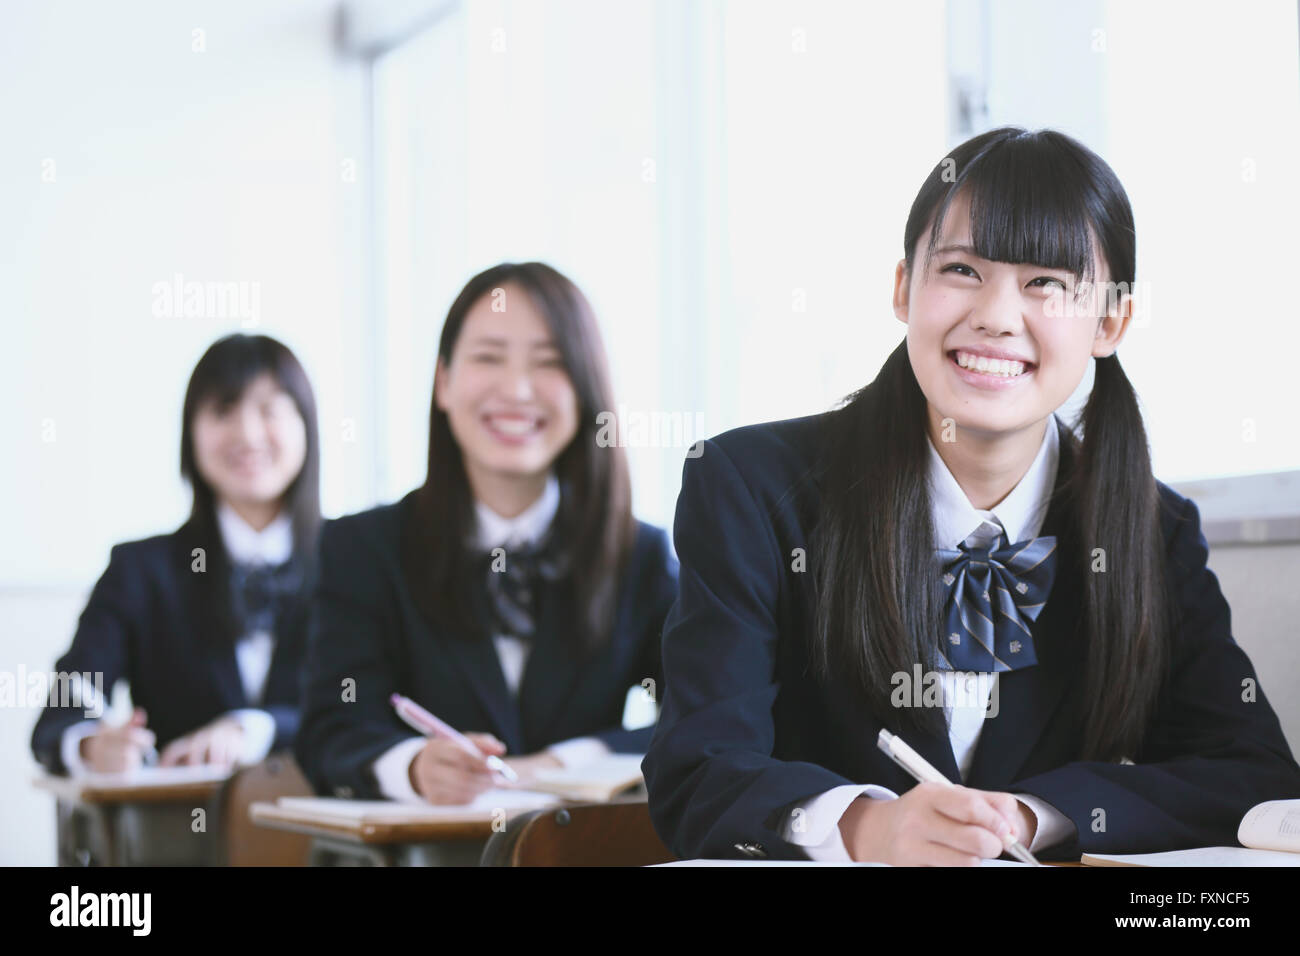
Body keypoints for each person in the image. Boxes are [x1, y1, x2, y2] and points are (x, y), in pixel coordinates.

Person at [643, 126, 1300, 864]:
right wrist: (870, 828)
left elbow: (1251, 773)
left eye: (1045, 282)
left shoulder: (1154, 529)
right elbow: (696, 770)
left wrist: (1028, 817)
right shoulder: (752, 488)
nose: (996, 315)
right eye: (961, 269)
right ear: (904, 288)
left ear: (1111, 320)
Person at [295, 262, 678, 804]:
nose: (516, 389)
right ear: (443, 382)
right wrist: (414, 767)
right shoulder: (363, 548)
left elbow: (702, 713)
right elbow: (330, 728)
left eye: (549, 362)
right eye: (488, 358)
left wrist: (558, 762)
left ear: (587, 391)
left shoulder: (640, 555)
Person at [32, 334, 321, 773]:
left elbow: (374, 712)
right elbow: (62, 713)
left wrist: (255, 728)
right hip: (179, 833)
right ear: (191, 433)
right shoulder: (141, 571)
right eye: (223, 410)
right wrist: (93, 745)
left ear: (306, 426)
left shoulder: (357, 560)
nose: (247, 434)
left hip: (341, 838)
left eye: (269, 409)